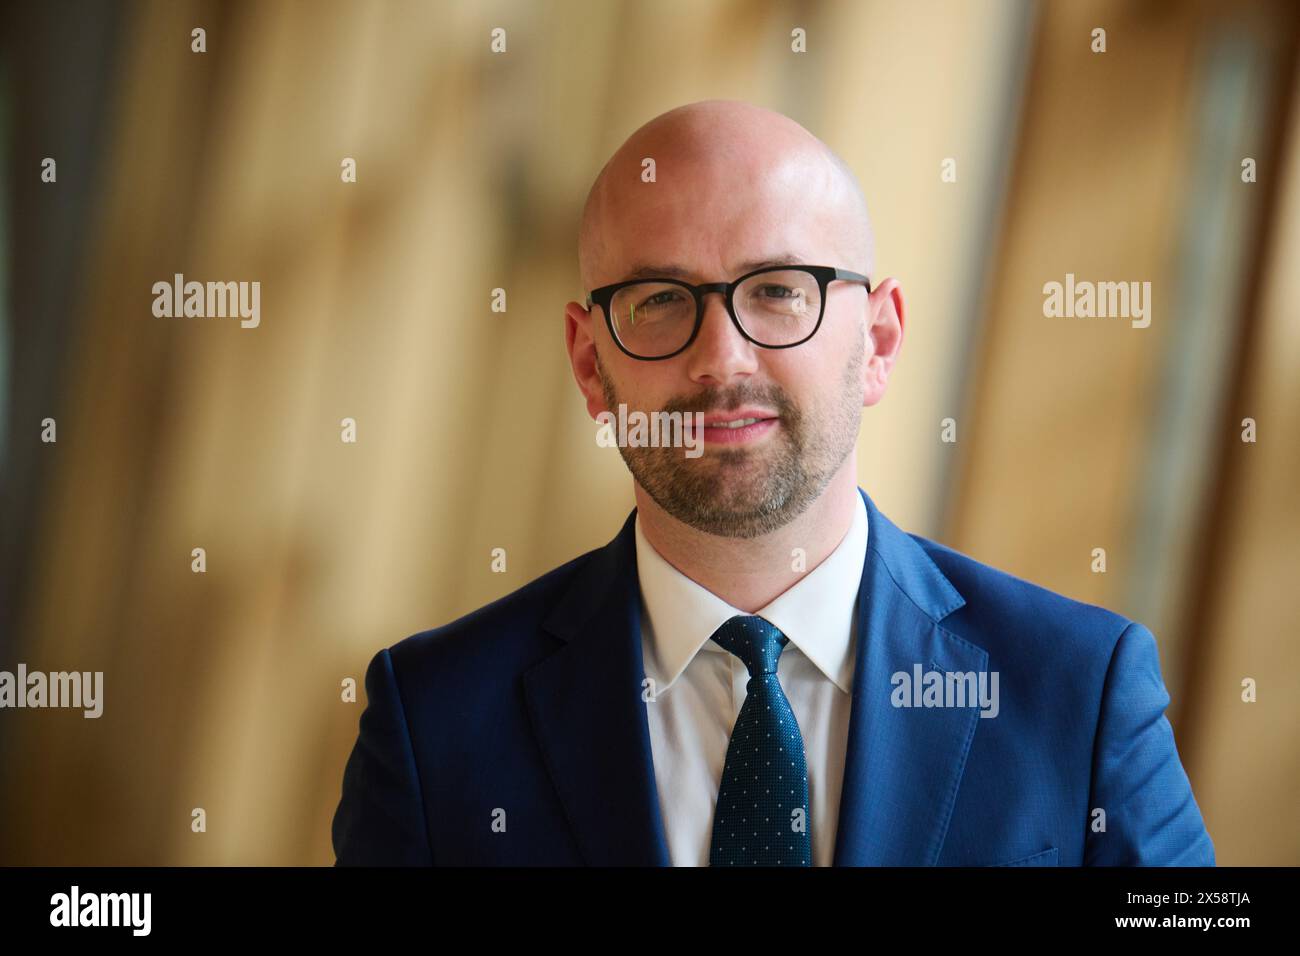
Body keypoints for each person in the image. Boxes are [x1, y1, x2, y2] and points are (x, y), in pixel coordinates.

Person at [332, 99, 1214, 866]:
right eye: (658, 299)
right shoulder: (437, 723)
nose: (721, 360)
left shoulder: (1078, 692)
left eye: (780, 291)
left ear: (878, 342)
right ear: (589, 365)